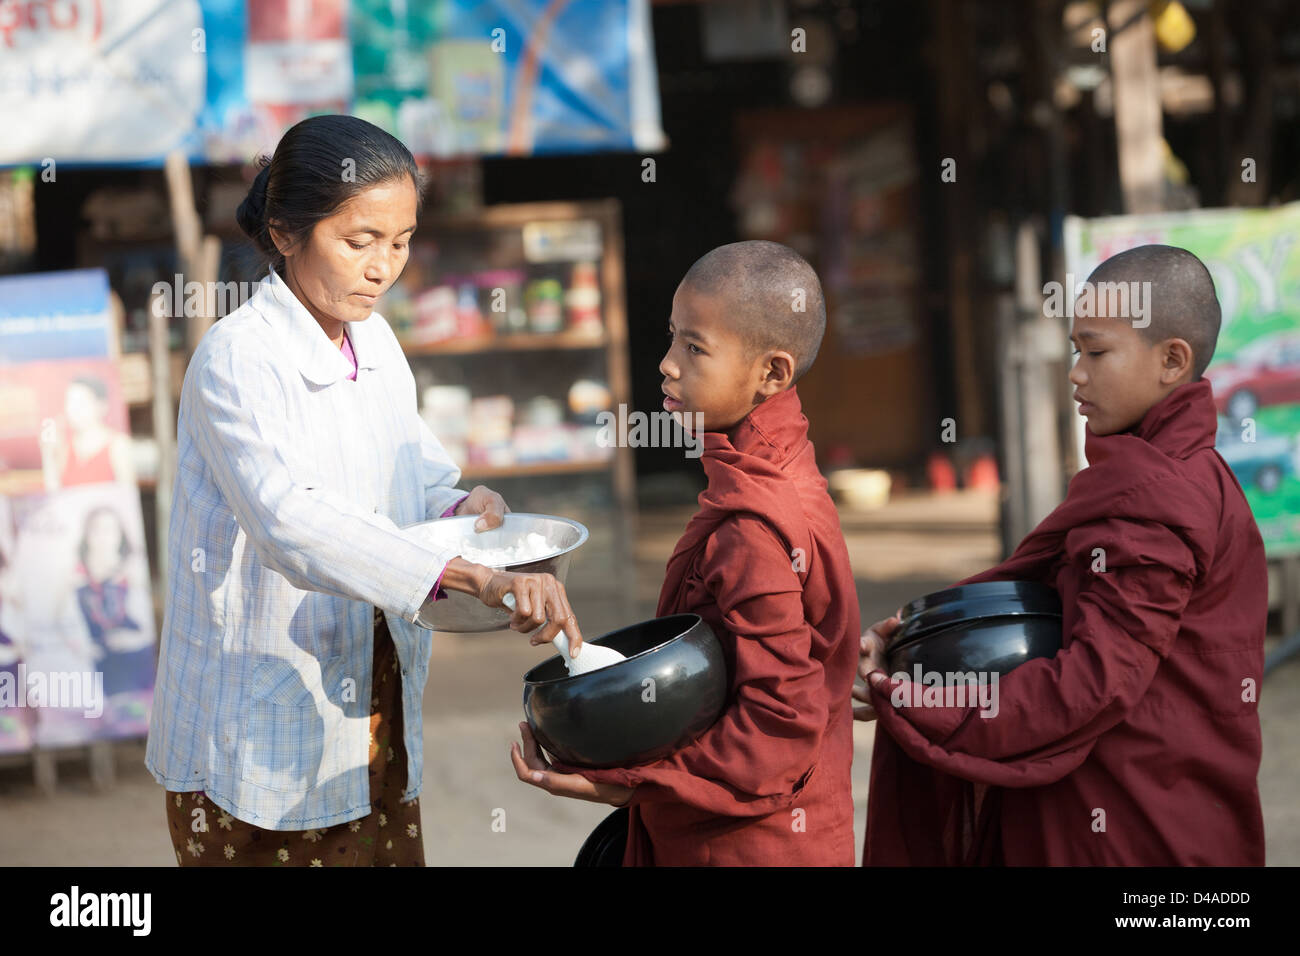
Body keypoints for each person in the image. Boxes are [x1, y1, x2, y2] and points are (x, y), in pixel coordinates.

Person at [145, 114, 585, 867]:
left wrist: (462, 512)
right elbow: (290, 522)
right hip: (255, 712)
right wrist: (463, 575)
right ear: (285, 233)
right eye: (359, 241)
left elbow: (414, 475)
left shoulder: (374, 341)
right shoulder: (237, 358)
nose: (383, 267)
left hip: (370, 692)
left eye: (401, 242)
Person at [855, 244, 1267, 865]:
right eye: (1076, 350)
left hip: (1138, 834)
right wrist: (917, 651)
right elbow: (1043, 615)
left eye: (1096, 352)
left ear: (1171, 361)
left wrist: (920, 702)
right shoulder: (1173, 474)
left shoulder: (1159, 498)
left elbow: (1090, 685)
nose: (1076, 373)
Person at [511, 241, 862, 865]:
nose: (668, 364)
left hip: (749, 847)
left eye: (695, 348)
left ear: (772, 374)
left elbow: (779, 727)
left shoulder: (754, 526)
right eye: (672, 338)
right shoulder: (774, 470)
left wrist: (622, 786)